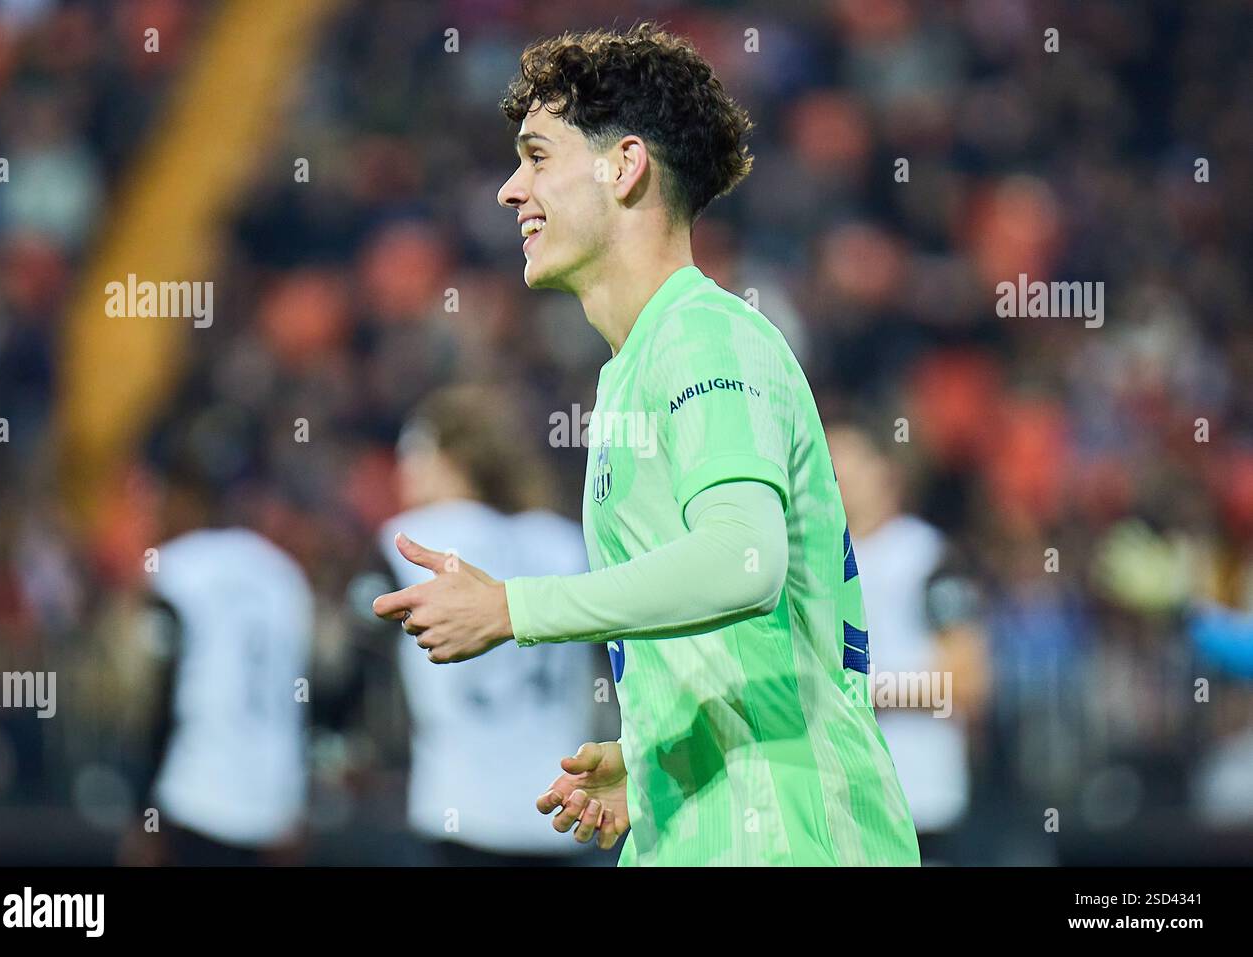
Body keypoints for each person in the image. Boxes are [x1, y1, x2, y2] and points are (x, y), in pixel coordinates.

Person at [372, 24, 919, 866]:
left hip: (787, 839)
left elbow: (744, 559)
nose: (509, 190)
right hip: (708, 830)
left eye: (538, 155)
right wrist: (659, 754)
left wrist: (515, 608)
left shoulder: (704, 338)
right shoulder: (637, 368)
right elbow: (748, 632)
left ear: (623, 167)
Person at [377, 385, 608, 866]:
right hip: (561, 813)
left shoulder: (413, 541)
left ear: (443, 455)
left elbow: (362, 674)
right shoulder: (565, 541)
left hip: (462, 812)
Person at [121, 462, 313, 866]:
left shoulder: (175, 567)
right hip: (273, 804)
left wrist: (144, 810)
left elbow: (158, 694)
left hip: (196, 795)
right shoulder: (284, 574)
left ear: (189, 499)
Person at [827, 422, 990, 863]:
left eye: (850, 462)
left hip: (920, 800)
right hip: (838, 802)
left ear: (886, 472)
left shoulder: (928, 558)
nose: (837, 474)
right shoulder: (811, 564)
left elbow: (967, 685)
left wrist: (860, 691)